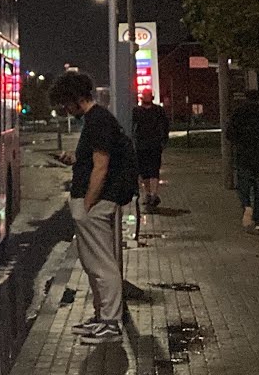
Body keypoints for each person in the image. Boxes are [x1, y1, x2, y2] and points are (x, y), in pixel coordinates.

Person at [49, 71, 139, 346]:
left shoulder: (98, 120)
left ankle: (110, 323)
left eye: (66, 103)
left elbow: (101, 166)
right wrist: (74, 159)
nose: (66, 109)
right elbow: (92, 159)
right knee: (93, 264)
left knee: (102, 265)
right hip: (95, 202)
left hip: (97, 203)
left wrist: (87, 203)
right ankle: (102, 318)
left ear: (76, 98)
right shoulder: (96, 120)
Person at [227, 89, 259, 232]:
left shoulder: (239, 113)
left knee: (243, 187)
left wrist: (239, 143)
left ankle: (247, 206)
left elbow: (230, 134)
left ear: (246, 98)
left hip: (244, 155)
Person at [131, 89, 170, 208]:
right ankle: (150, 194)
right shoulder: (152, 110)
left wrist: (163, 139)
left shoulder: (142, 111)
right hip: (146, 145)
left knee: (152, 170)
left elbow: (165, 126)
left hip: (151, 145)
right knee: (146, 171)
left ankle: (151, 194)